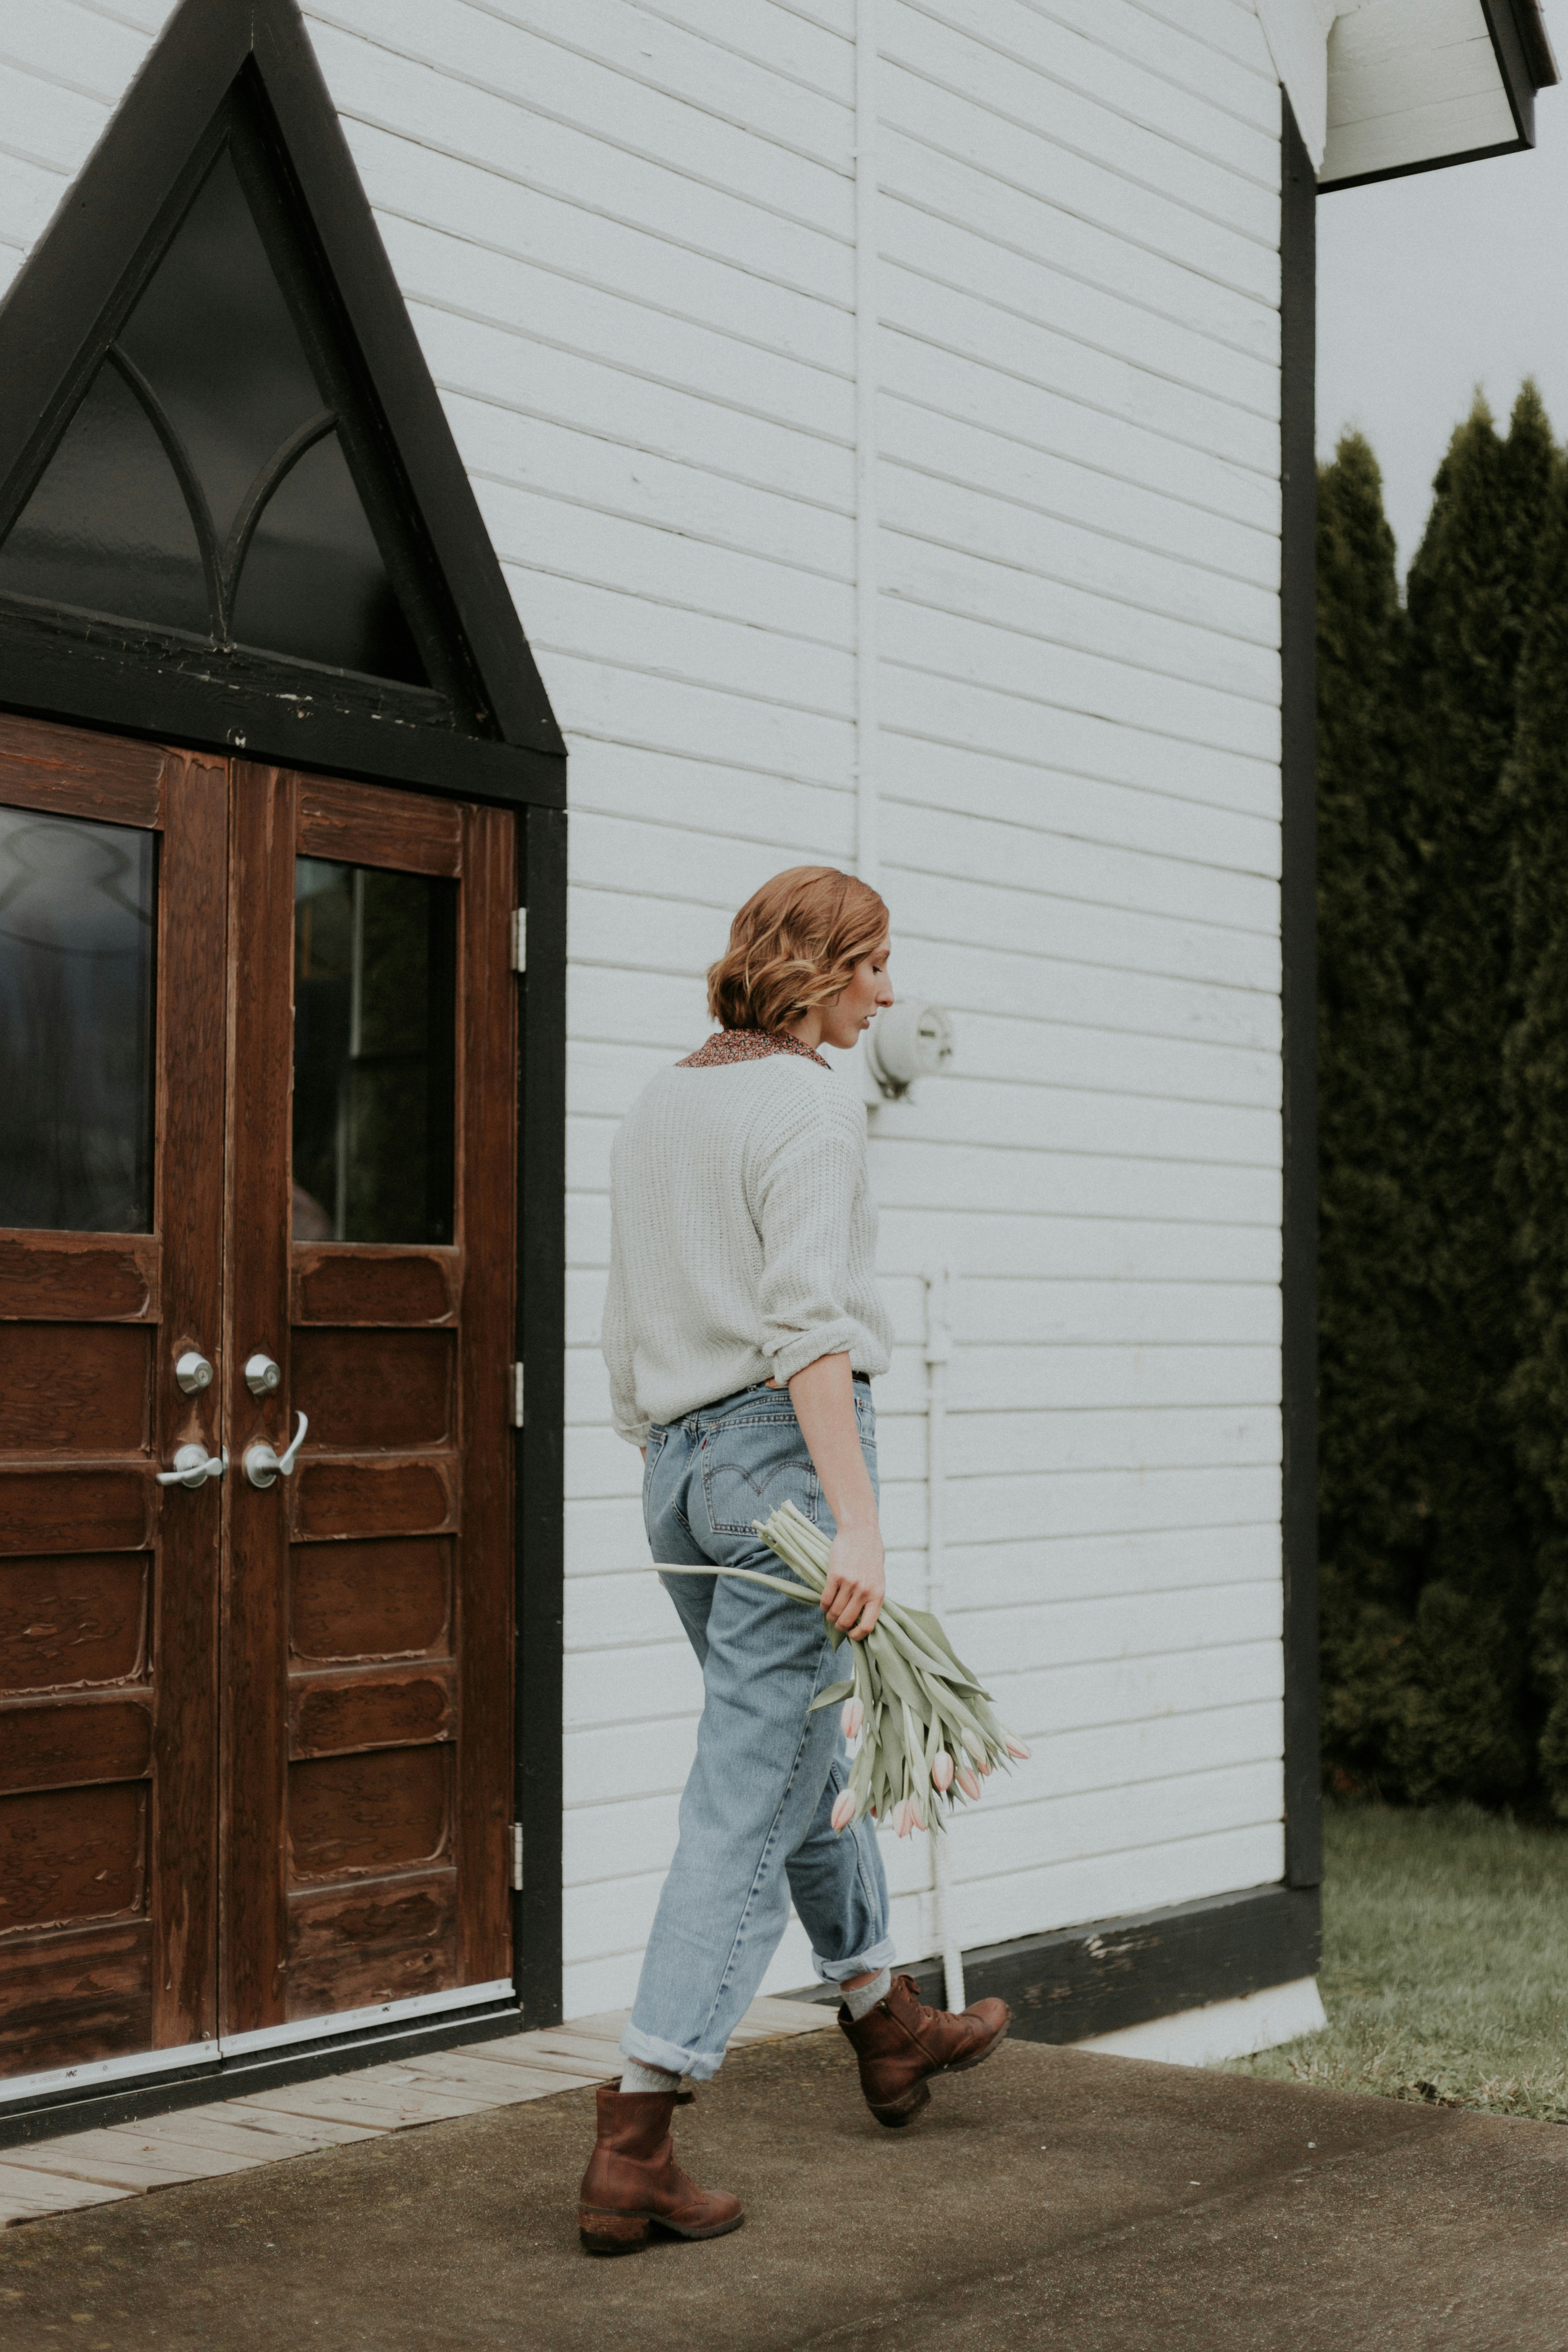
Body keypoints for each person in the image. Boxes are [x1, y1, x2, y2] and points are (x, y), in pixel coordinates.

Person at [580, 865, 1009, 2257]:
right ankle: (636, 2137)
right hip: (782, 1467)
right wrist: (859, 1524)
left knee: (796, 1757)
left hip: (681, 1473)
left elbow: (623, 1321)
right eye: (876, 966)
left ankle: (885, 2020)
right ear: (818, 970)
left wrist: (668, 1452)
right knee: (746, 1802)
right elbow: (809, 1333)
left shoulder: (661, 1102)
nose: (891, 994)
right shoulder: (811, 1111)